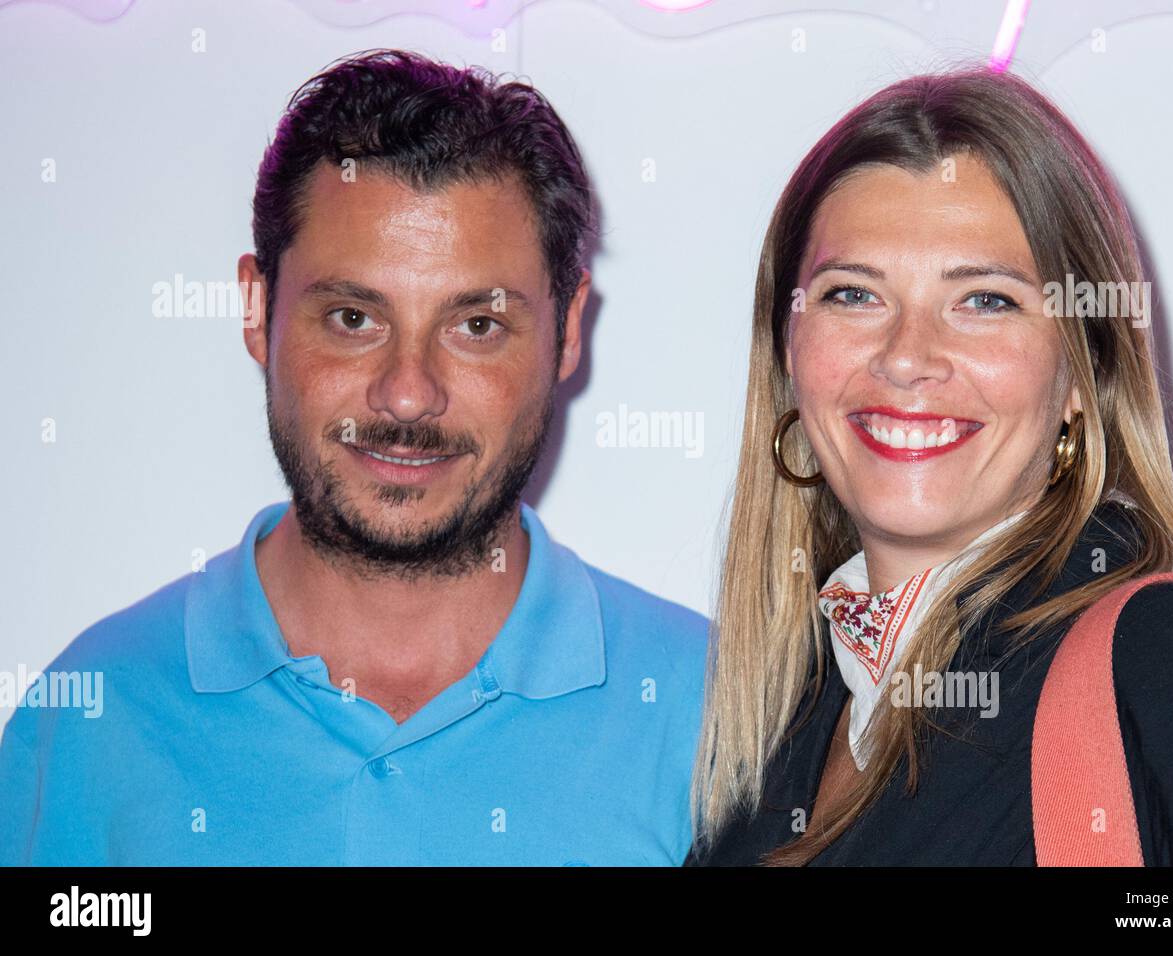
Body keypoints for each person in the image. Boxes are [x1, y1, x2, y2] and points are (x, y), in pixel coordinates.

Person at [0, 49, 707, 866]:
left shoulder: (714, 720)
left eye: (476, 325)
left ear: (569, 329)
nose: (407, 396)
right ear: (257, 308)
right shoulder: (88, 721)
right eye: (351, 319)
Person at [686, 67, 1173, 866]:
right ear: (788, 355)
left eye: (986, 301)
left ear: (1084, 373)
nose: (907, 358)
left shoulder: (1155, 659)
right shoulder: (786, 718)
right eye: (852, 295)